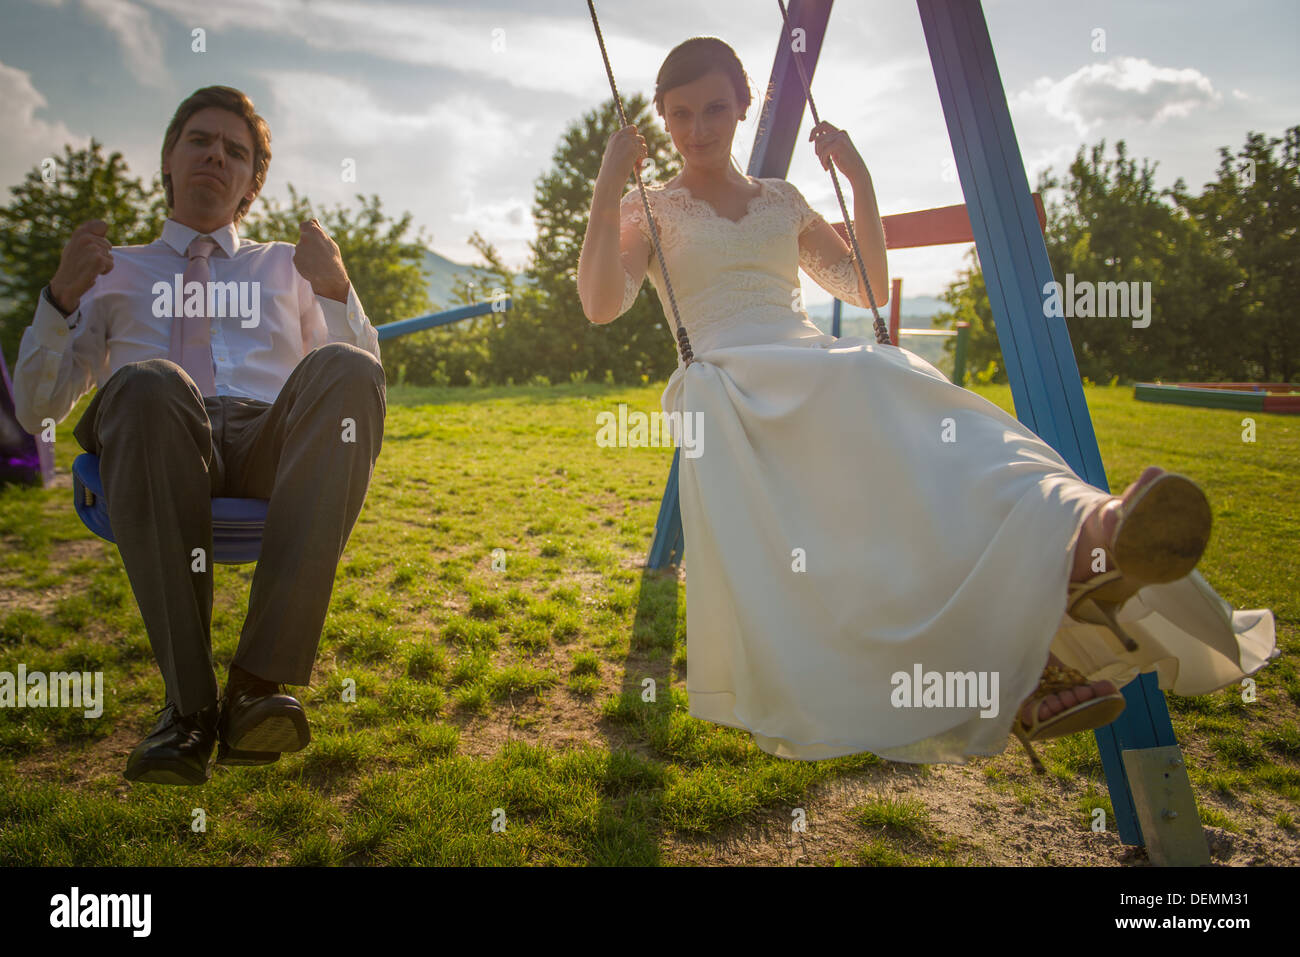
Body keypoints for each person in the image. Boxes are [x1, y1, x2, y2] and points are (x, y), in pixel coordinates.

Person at [575, 37, 1277, 768]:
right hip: (734, 381)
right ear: (658, 117)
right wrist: (606, 185)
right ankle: (1030, 653)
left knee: (945, 431)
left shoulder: (780, 199)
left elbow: (862, 286)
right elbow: (601, 304)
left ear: (743, 106)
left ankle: (1086, 530)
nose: (698, 129)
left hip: (818, 362)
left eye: (715, 108)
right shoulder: (649, 208)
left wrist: (862, 182)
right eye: (680, 114)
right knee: (883, 406)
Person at [11, 86, 387, 785]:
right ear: (169, 160)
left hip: (262, 442)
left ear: (251, 184)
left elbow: (362, 394)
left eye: (235, 151)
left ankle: (256, 685)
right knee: (154, 381)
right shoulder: (111, 269)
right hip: (155, 431)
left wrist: (337, 292)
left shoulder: (288, 265)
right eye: (200, 140)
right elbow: (37, 410)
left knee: (346, 367)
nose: (216, 154)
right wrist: (60, 299)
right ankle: (187, 708)